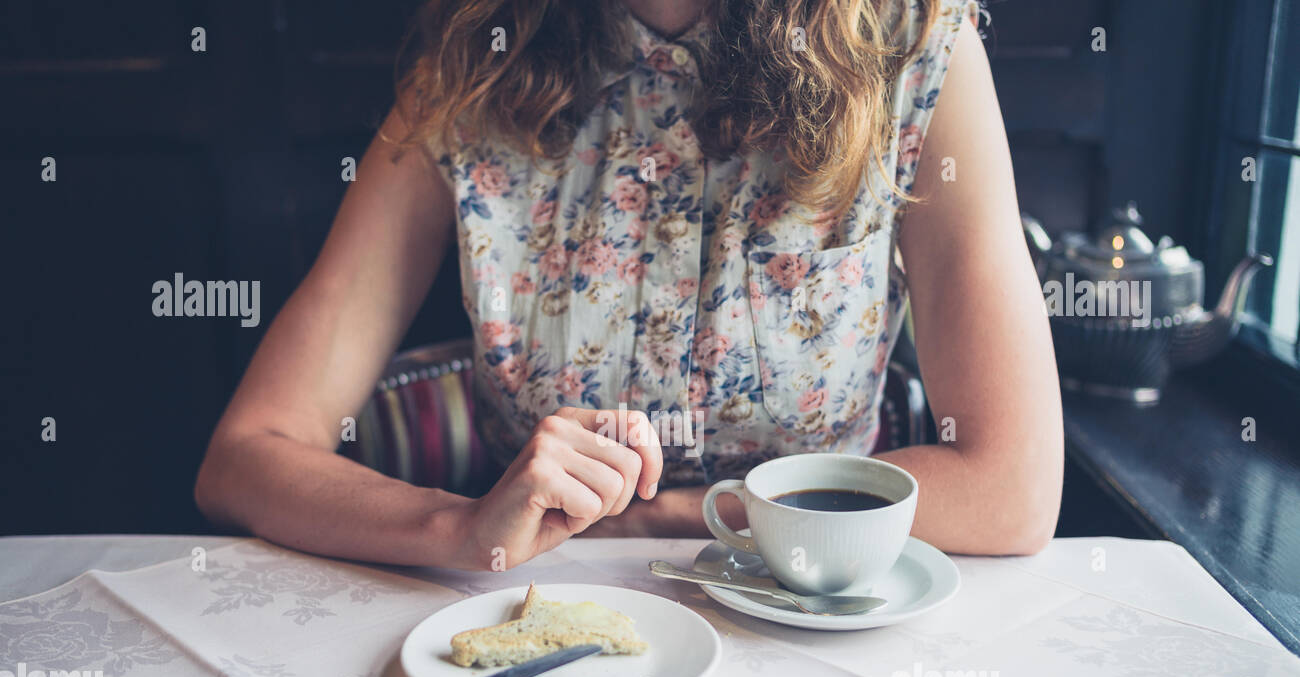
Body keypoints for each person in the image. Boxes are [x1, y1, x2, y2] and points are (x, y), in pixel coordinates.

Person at [195, 0, 1063, 571]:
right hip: (551, 633)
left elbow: (1013, 485)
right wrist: (458, 526)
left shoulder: (911, 53)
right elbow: (246, 455)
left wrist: (669, 517)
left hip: (824, 617)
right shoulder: (472, 68)